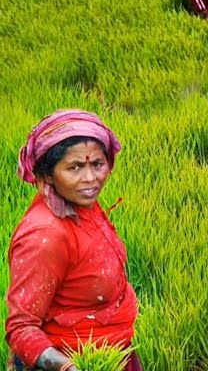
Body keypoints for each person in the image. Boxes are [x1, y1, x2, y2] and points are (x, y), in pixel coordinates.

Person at [6, 110, 140, 371]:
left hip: (111, 350)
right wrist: (67, 367)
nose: (90, 179)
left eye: (97, 165)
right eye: (75, 167)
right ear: (47, 176)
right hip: (74, 360)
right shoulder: (44, 235)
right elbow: (21, 327)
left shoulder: (82, 204)